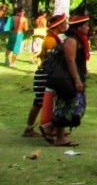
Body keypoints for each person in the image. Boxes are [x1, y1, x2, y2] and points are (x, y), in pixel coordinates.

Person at [42, 13, 90, 147]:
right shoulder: (72, 40)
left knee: (67, 106)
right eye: (85, 25)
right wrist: (77, 80)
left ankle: (57, 134)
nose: (88, 28)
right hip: (67, 78)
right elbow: (70, 61)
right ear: (78, 27)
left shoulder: (80, 40)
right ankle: (51, 128)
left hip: (71, 77)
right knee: (72, 106)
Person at [24, 13, 67, 138]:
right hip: (45, 73)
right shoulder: (51, 40)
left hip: (45, 72)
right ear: (57, 26)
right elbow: (51, 60)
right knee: (41, 102)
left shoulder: (54, 38)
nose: (65, 25)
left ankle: (35, 127)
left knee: (40, 102)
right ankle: (36, 128)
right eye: (63, 23)